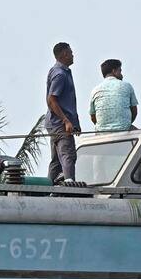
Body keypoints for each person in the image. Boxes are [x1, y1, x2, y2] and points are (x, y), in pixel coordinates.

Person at [45, 42, 81, 186]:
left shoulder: (61, 71)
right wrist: (66, 121)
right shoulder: (60, 74)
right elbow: (52, 100)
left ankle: (48, 188)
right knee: (68, 155)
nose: (73, 55)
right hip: (59, 123)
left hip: (56, 123)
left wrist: (75, 123)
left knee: (56, 161)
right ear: (65, 54)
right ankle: (69, 186)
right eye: (71, 52)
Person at [89, 58, 138, 132]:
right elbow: (134, 111)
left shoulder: (95, 90)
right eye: (120, 71)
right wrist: (123, 125)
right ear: (114, 71)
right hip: (124, 129)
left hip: (102, 132)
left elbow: (93, 116)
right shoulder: (127, 86)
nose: (122, 75)